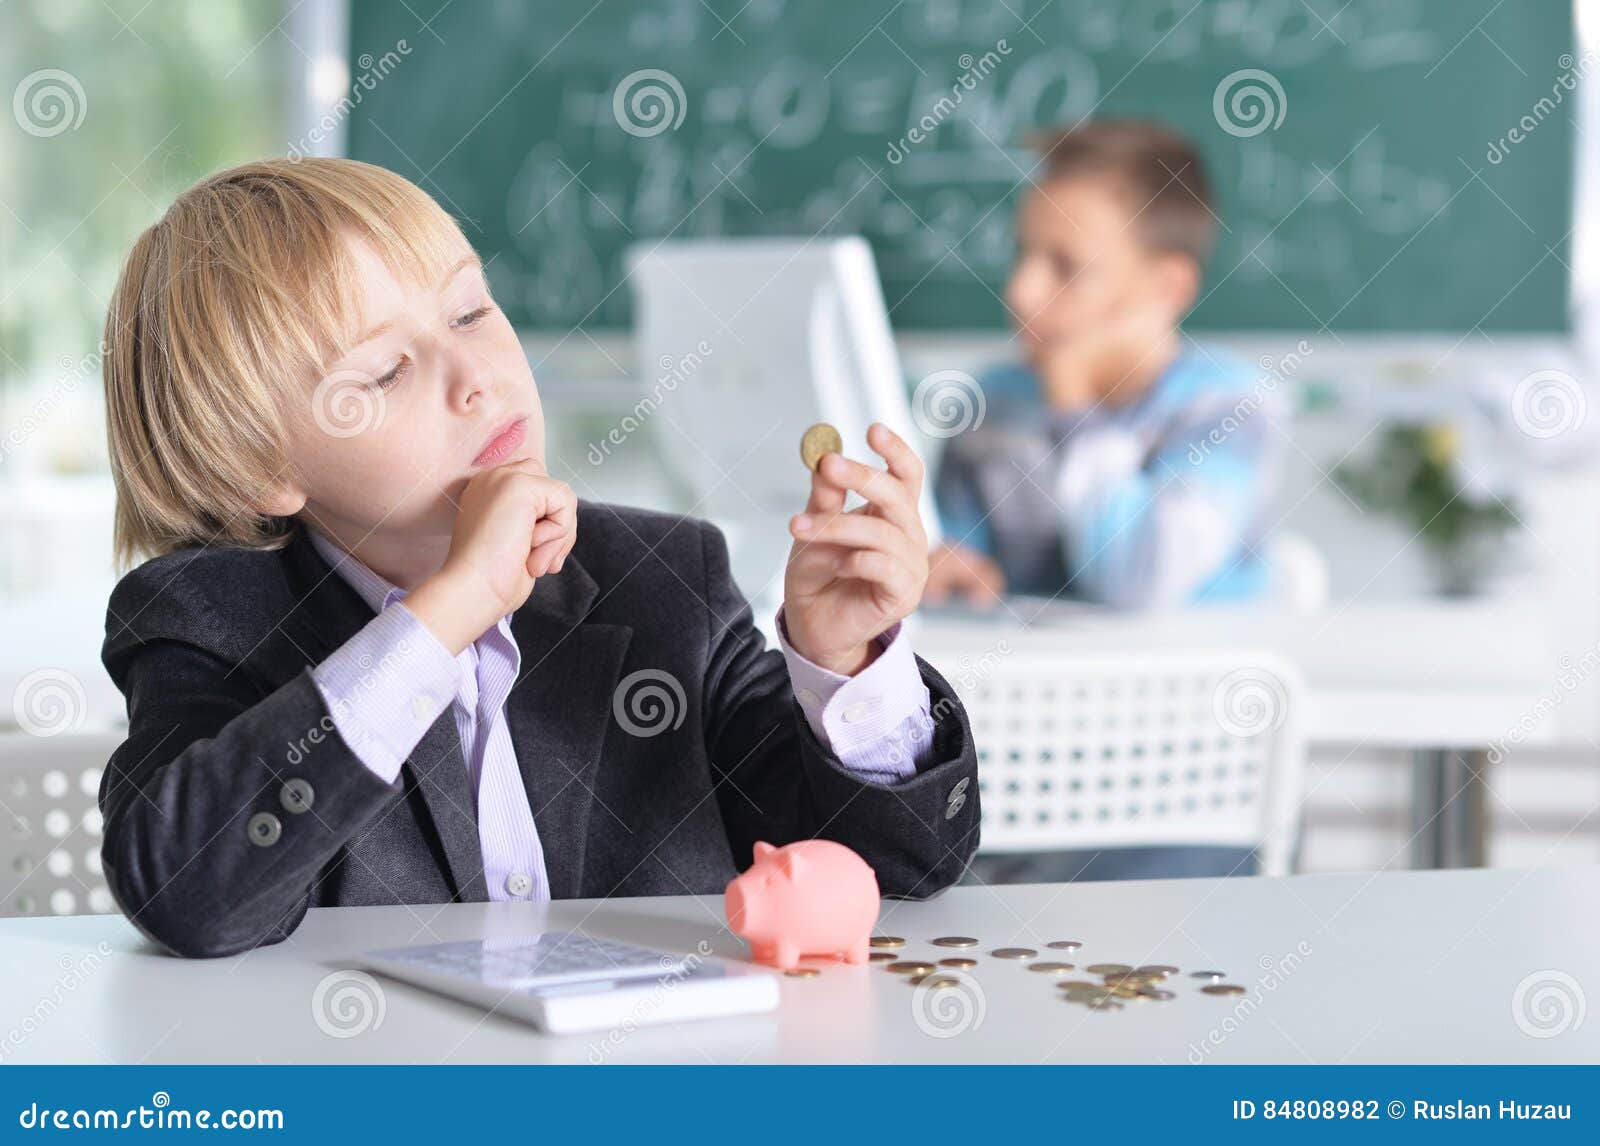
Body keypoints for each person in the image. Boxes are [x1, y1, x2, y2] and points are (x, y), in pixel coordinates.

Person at [98, 158, 980, 958]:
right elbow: (189, 894)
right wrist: (449, 611)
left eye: (470, 311)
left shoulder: (663, 576)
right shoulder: (209, 618)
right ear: (264, 469)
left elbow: (894, 873)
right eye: (385, 372)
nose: (474, 374)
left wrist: (842, 664)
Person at [926, 119, 1283, 612]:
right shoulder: (992, 403)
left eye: (1066, 266)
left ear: (1167, 289)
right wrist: (945, 572)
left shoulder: (1227, 407)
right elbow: (956, 562)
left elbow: (1137, 581)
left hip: (1190, 679)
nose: (1020, 291)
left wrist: (1074, 401)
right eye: (1023, 253)